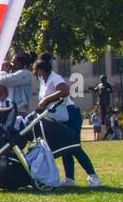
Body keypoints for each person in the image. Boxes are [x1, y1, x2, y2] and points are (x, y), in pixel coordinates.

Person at [34, 56, 100, 188]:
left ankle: (93, 176)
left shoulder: (54, 78)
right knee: (65, 147)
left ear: (41, 70)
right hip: (60, 117)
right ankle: (70, 178)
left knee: (74, 146)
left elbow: (65, 90)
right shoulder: (43, 81)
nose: (33, 72)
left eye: (35, 69)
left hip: (70, 114)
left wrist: (46, 100)